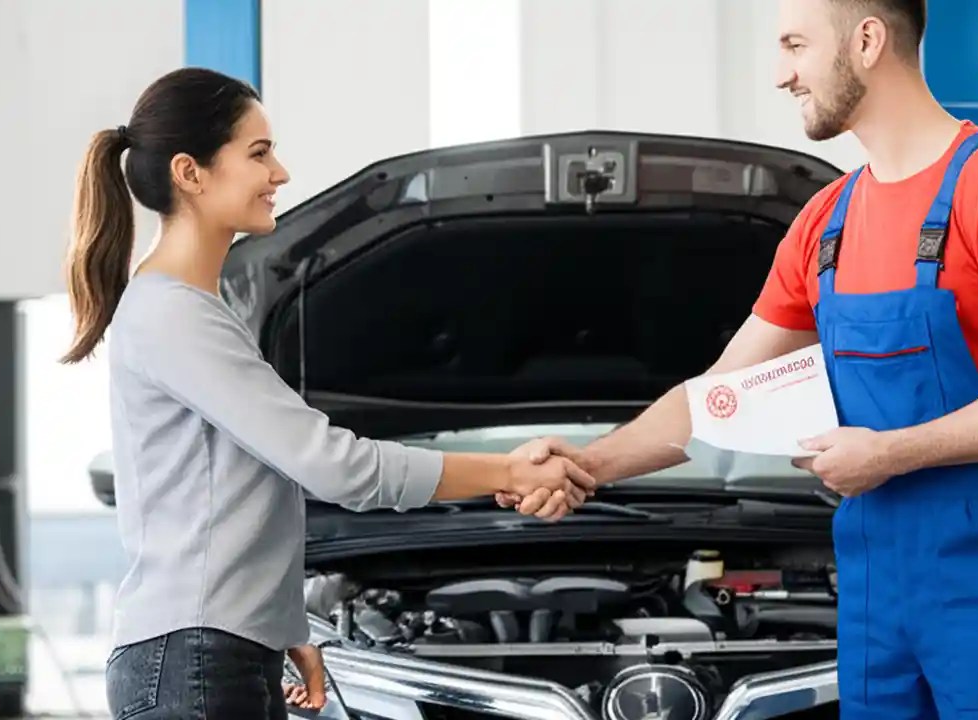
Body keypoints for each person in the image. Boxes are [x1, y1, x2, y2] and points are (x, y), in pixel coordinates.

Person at [503, 0, 978, 717]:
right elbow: (716, 395)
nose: (780, 74)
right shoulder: (828, 220)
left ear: (866, 40)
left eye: (795, 46)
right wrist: (587, 465)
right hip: (871, 572)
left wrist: (891, 452)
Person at [62, 67, 590, 719]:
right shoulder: (174, 315)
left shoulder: (193, 309)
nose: (279, 173)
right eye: (258, 153)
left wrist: (286, 626)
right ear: (190, 173)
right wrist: (506, 468)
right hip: (193, 662)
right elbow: (333, 466)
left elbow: (239, 493)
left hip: (211, 653)